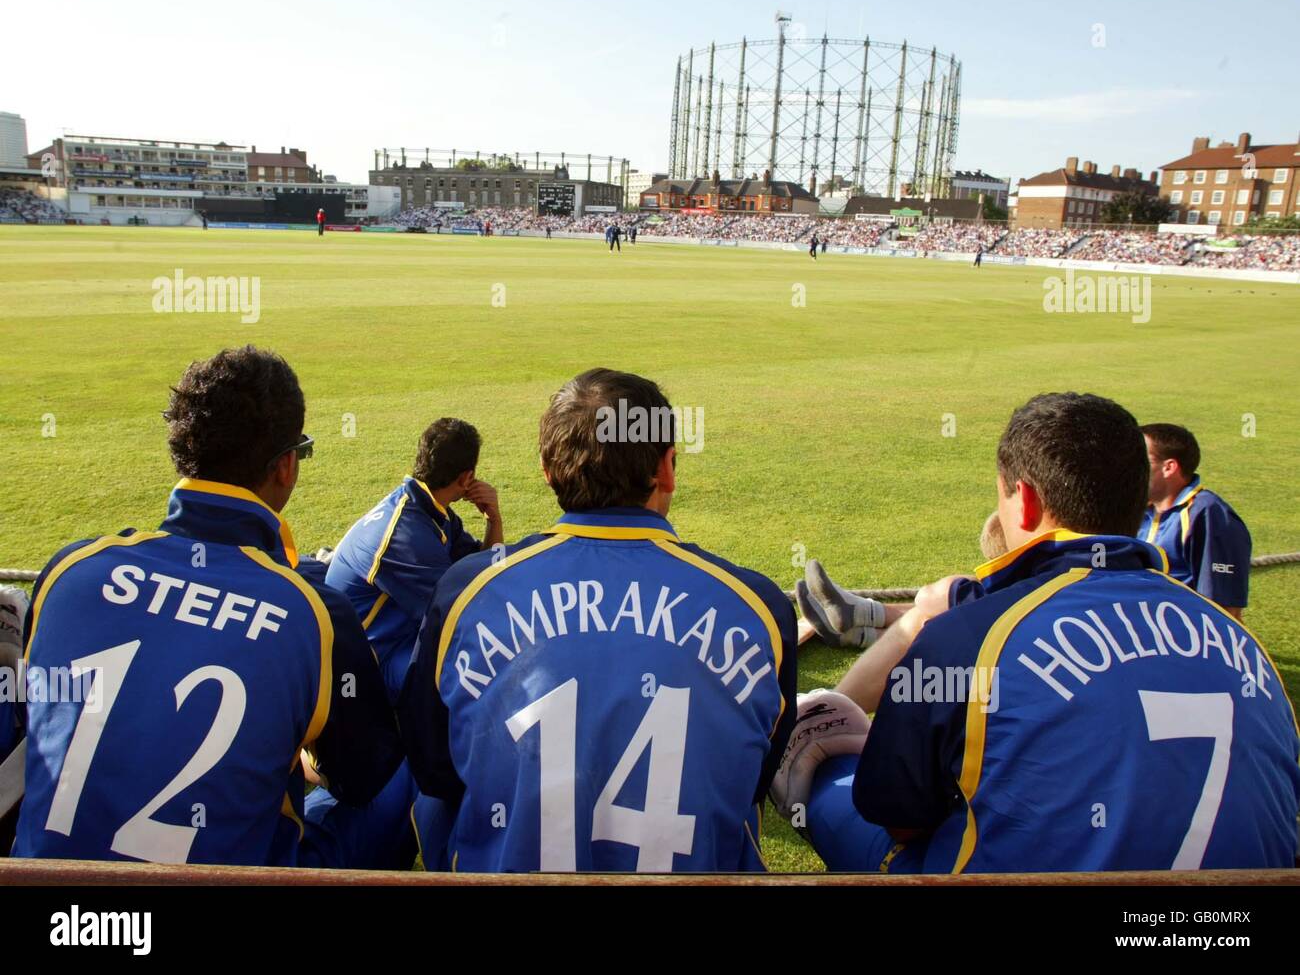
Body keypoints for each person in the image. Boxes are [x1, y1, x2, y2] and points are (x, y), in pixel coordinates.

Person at [775, 392, 1299, 873]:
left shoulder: (970, 639)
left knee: (842, 777)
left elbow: (897, 819)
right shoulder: (1248, 652)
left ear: (1023, 500)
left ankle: (813, 735)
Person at [13, 346, 402, 865]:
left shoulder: (70, 571)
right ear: (286, 466)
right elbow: (361, 780)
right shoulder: (313, 615)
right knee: (406, 778)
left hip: (60, 906)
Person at [399, 368, 797, 872]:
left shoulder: (467, 590)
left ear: (547, 470)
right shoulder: (758, 605)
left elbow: (435, 770)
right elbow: (754, 778)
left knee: (432, 802)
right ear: (667, 468)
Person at [326, 418, 504, 703]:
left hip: (395, 640)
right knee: (471, 667)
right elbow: (461, 614)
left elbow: (485, 570)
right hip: (365, 662)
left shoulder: (427, 509)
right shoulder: (406, 536)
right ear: (466, 478)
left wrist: (493, 519)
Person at [1139, 423, 1251, 620]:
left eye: (1140, 460)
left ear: (1169, 467)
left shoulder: (1209, 515)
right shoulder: (1139, 509)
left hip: (1181, 640)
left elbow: (1225, 610)